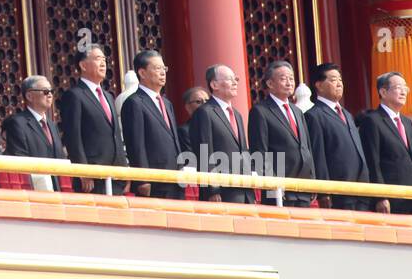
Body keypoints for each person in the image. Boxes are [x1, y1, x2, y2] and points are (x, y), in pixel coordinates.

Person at [58, 45, 128, 194]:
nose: (103, 63)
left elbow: (115, 134)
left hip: (116, 174)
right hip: (92, 176)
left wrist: (124, 170)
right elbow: (73, 137)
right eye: (97, 59)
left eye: (104, 59)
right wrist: (83, 171)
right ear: (83, 65)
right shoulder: (75, 96)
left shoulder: (108, 96)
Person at [247, 60, 315, 205]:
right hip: (279, 189)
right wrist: (272, 187)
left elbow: (307, 147)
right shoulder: (260, 111)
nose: (289, 83)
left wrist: (312, 180)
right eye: (283, 79)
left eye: (291, 79)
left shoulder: (297, 111)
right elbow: (259, 153)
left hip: (303, 187)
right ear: (270, 83)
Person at [359, 71, 412, 215]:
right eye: (398, 87)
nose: (403, 92)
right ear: (383, 92)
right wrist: (380, 196)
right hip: (392, 199)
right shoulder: (372, 121)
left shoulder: (407, 122)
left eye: (405, 88)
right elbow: (372, 162)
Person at [187, 64, 254, 204]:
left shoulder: (237, 114)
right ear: (214, 84)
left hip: (244, 188)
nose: (235, 83)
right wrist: (212, 189)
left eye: (236, 79)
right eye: (230, 79)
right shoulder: (205, 112)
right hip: (222, 191)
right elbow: (204, 152)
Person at [120, 49, 182, 199]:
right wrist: (142, 179)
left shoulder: (166, 103)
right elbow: (136, 144)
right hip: (154, 179)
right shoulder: (134, 102)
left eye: (164, 68)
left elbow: (174, 139)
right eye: (157, 68)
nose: (163, 73)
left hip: (175, 178)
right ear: (142, 73)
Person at [306, 63, 368, 210]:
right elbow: (318, 155)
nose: (339, 84)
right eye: (333, 80)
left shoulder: (347, 114)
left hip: (361, 189)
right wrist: (324, 192)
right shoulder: (314, 115)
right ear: (319, 85)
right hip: (339, 190)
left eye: (340, 80)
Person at [2, 75, 64, 191]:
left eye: (51, 91)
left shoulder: (51, 124)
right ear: (29, 96)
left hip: (57, 189)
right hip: (34, 188)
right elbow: (19, 159)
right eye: (45, 91)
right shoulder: (18, 123)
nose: (50, 95)